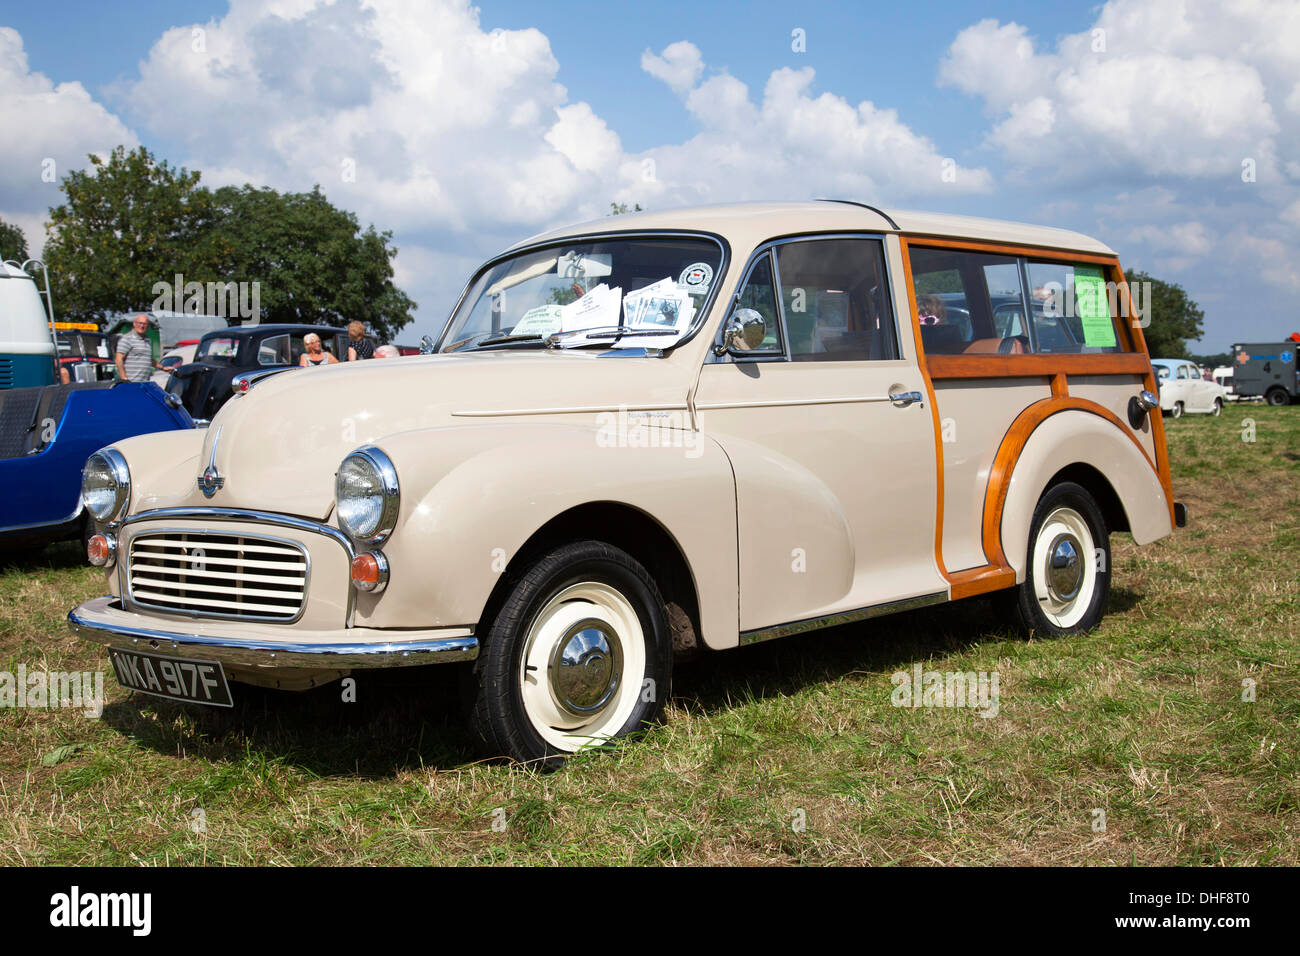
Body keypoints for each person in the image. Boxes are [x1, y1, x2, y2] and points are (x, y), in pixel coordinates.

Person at [115, 313, 165, 382]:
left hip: (144, 383)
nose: (142, 326)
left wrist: (163, 368)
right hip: (131, 383)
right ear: (134, 324)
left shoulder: (147, 340)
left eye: (145, 324)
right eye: (140, 323)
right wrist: (124, 378)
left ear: (147, 326)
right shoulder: (127, 339)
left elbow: (148, 359)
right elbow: (118, 359)